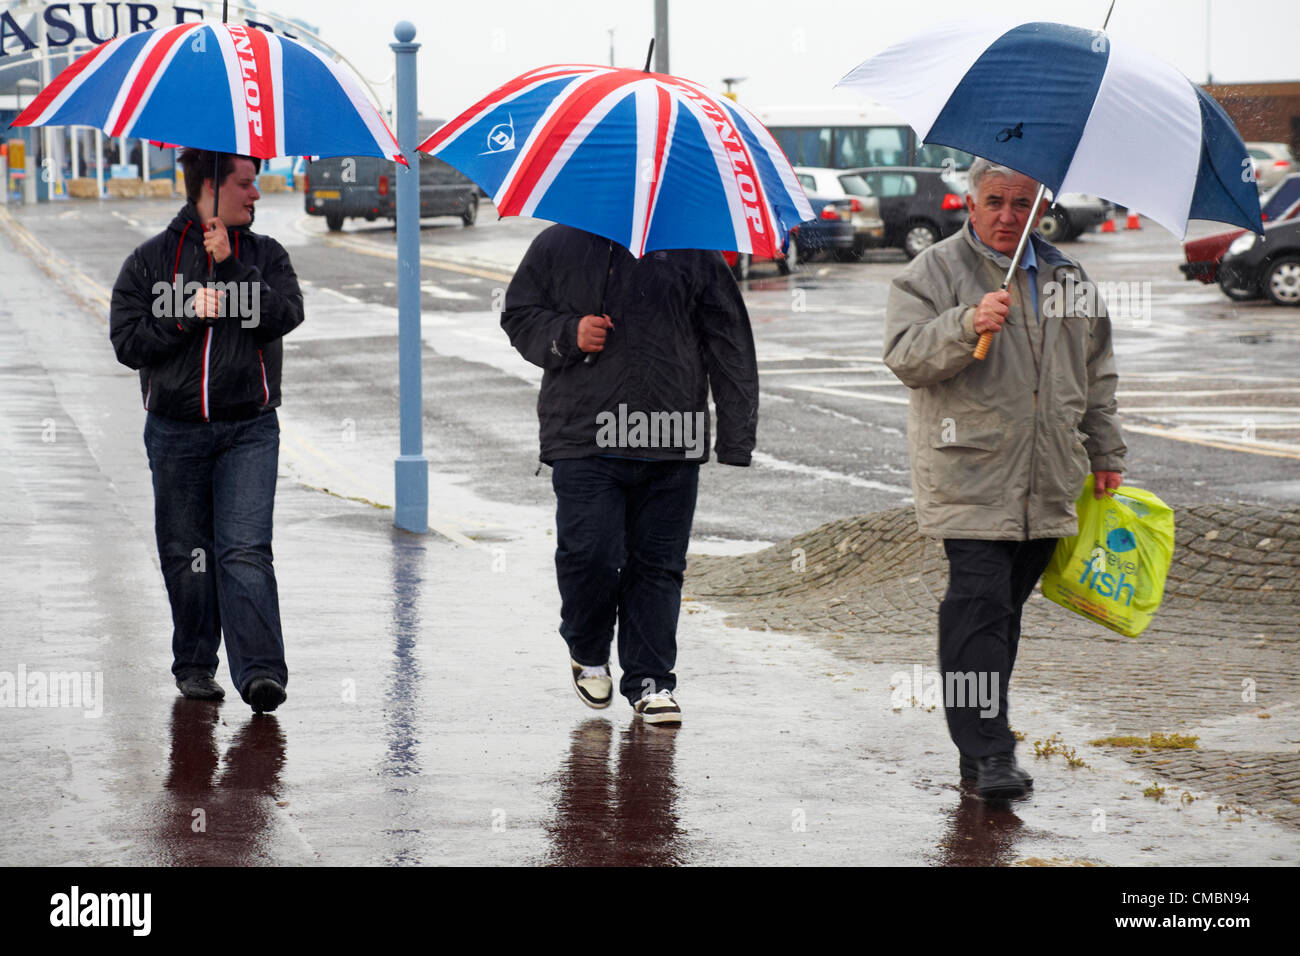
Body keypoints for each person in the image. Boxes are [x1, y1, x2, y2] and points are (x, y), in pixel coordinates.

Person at [882, 157, 1126, 798]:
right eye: (995, 202)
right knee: (979, 607)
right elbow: (905, 356)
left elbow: (1095, 372)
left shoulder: (1068, 277)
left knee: (1002, 617)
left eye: (1022, 204)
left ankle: (977, 749)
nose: (1008, 216)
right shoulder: (933, 271)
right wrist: (966, 324)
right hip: (970, 474)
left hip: (1049, 478)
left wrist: (1106, 452)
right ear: (971, 203)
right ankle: (991, 751)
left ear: (1042, 207)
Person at [502, 225, 758, 725]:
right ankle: (588, 648)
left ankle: (650, 680)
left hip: (672, 435)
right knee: (590, 554)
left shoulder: (695, 250)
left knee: (658, 566)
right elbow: (518, 315)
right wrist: (567, 334)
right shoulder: (559, 243)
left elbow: (729, 340)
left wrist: (736, 436)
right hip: (584, 433)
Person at [109, 148, 304, 713]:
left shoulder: (265, 255)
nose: (256, 194)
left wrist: (234, 269)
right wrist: (182, 314)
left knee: (243, 550)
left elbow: (286, 314)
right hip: (175, 432)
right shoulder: (150, 261)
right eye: (246, 183)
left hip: (249, 430)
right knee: (187, 552)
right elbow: (127, 342)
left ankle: (261, 673)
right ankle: (195, 664)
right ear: (209, 187)